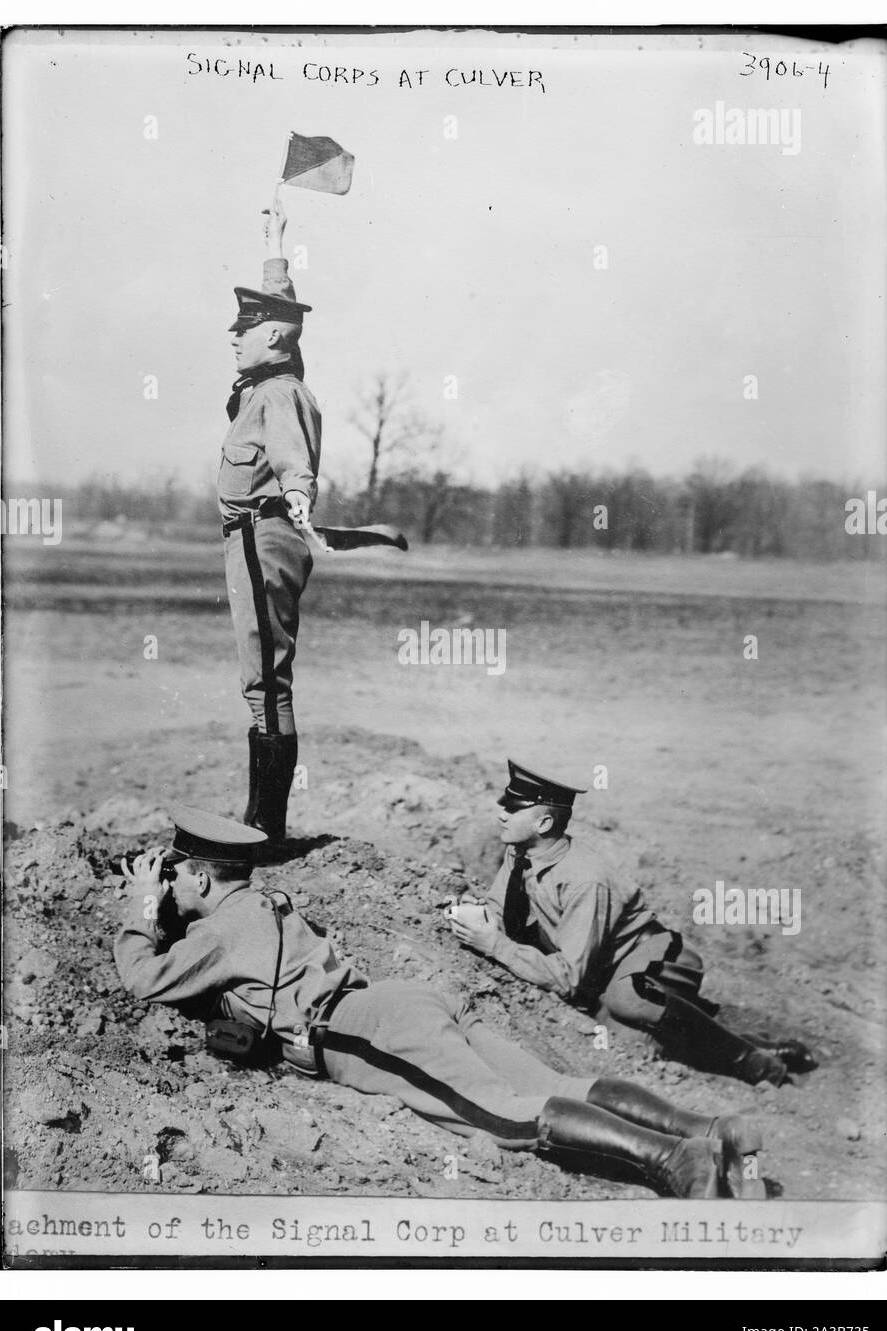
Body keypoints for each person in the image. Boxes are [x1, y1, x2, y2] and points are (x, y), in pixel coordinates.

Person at [113, 806, 768, 1200]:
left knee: (503, 1118)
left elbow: (142, 977)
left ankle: (672, 1160)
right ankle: (708, 1132)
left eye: (173, 877)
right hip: (405, 1001)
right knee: (554, 1080)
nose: (169, 889)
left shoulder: (220, 928)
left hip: (358, 1030)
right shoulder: (269, 901)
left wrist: (141, 907)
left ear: (199, 875)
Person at [444, 760, 817, 1087]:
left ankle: (757, 1064)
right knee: (631, 1043)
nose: (501, 814)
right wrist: (475, 914)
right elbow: (500, 906)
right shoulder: (520, 851)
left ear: (543, 822)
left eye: (512, 808)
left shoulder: (585, 879)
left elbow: (567, 979)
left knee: (630, 1002)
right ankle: (753, 1040)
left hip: (652, 960)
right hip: (599, 967)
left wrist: (495, 945)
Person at [219, 192, 320, 852]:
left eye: (243, 330)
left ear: (273, 340)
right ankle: (263, 823)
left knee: (264, 680)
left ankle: (265, 829)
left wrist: (298, 491)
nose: (231, 337)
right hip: (252, 537)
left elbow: (290, 458)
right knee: (261, 678)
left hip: (263, 535)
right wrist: (275, 246)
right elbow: (280, 311)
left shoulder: (279, 392)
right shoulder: (270, 379)